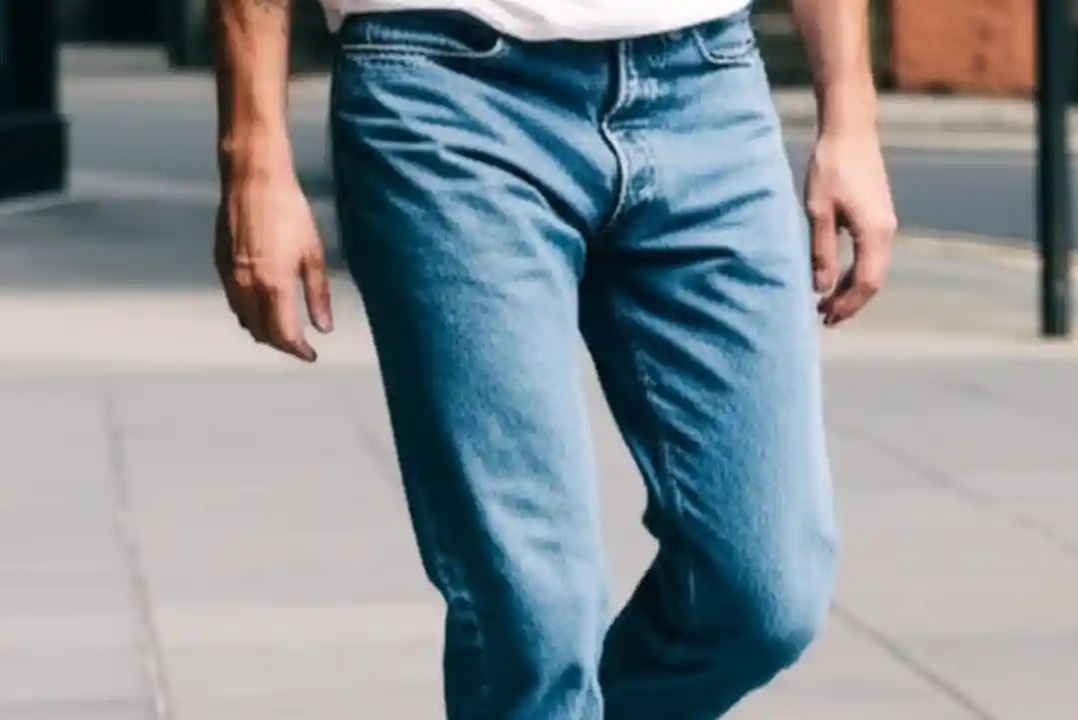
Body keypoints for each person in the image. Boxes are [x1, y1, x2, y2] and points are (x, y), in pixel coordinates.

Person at [210, 0, 896, 717]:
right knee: (530, 618)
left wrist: (850, 115)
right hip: (444, 93)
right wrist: (253, 159)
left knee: (764, 594)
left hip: (708, 85)